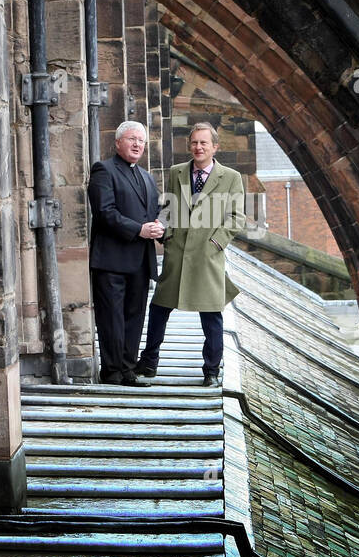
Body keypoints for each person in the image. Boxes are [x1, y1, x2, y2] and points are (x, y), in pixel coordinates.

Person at [137, 122, 245, 387]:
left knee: (211, 315)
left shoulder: (230, 177)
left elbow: (236, 217)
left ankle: (211, 370)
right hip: (178, 255)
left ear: (214, 147)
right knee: (159, 308)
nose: (198, 147)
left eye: (203, 143)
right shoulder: (177, 173)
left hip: (208, 257)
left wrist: (215, 244)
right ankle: (149, 363)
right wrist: (167, 235)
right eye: (194, 143)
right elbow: (168, 208)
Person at [88, 121, 164, 386]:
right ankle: (111, 371)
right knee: (112, 318)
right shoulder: (103, 170)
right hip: (111, 260)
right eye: (132, 139)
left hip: (141, 260)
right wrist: (139, 230)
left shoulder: (146, 176)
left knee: (135, 316)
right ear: (118, 142)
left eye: (141, 141)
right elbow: (105, 212)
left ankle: (128, 369)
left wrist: (157, 228)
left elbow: (152, 213)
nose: (137, 144)